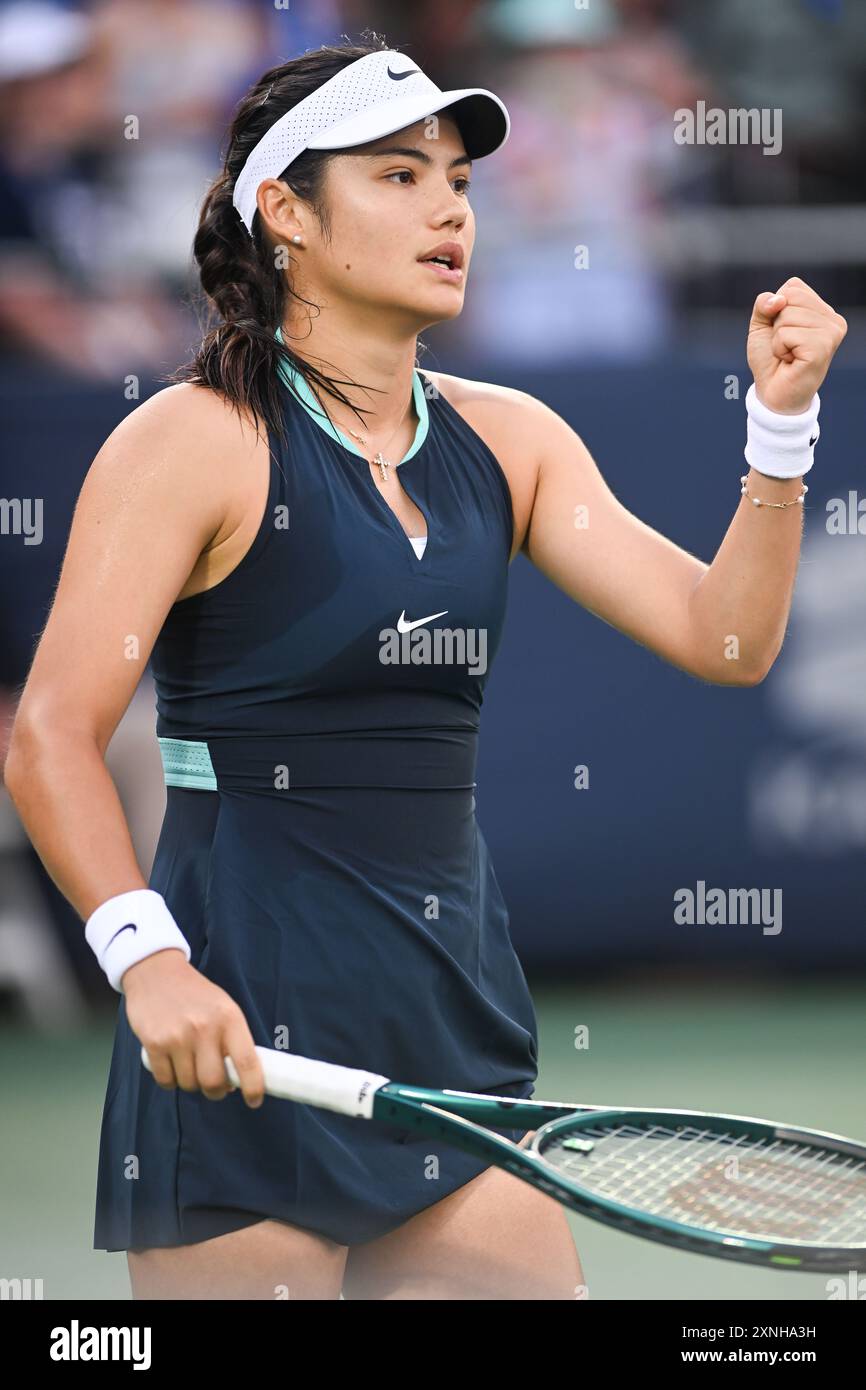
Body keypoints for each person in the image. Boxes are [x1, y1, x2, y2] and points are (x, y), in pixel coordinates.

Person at [4, 34, 846, 1300]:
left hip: (452, 1056)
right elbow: (49, 734)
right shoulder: (188, 442)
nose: (450, 205)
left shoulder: (513, 440)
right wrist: (149, 961)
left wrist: (777, 432)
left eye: (455, 176)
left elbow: (723, 640)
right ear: (284, 211)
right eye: (398, 176)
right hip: (238, 1046)